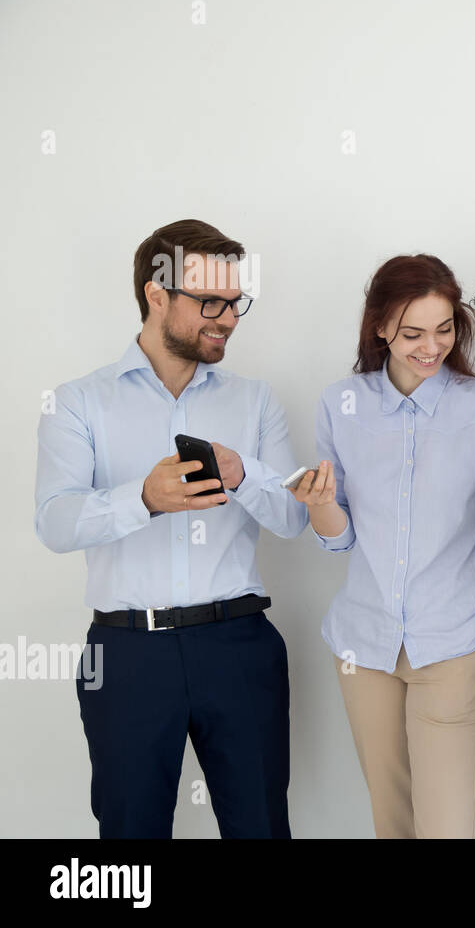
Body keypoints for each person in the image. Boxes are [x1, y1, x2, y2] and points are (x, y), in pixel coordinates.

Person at [34, 219, 307, 837]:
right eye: (210, 301)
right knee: (131, 838)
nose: (229, 318)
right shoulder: (79, 403)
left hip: (239, 644)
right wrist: (143, 498)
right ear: (156, 295)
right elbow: (53, 521)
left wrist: (244, 476)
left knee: (261, 827)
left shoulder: (255, 400)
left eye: (236, 303)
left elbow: (294, 518)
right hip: (128, 654)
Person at [294, 254, 475, 838]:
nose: (430, 346)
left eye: (444, 329)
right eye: (413, 332)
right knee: (392, 824)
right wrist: (320, 508)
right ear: (380, 328)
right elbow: (339, 541)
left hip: (453, 647)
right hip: (362, 649)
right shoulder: (340, 405)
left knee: (446, 829)